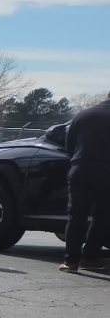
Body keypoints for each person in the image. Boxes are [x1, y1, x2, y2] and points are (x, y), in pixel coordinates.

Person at [60, 91, 110, 273]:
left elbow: (70, 144)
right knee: (103, 216)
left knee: (77, 215)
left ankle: (71, 261)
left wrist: (78, 159)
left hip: (81, 168)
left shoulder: (84, 115)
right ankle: (90, 257)